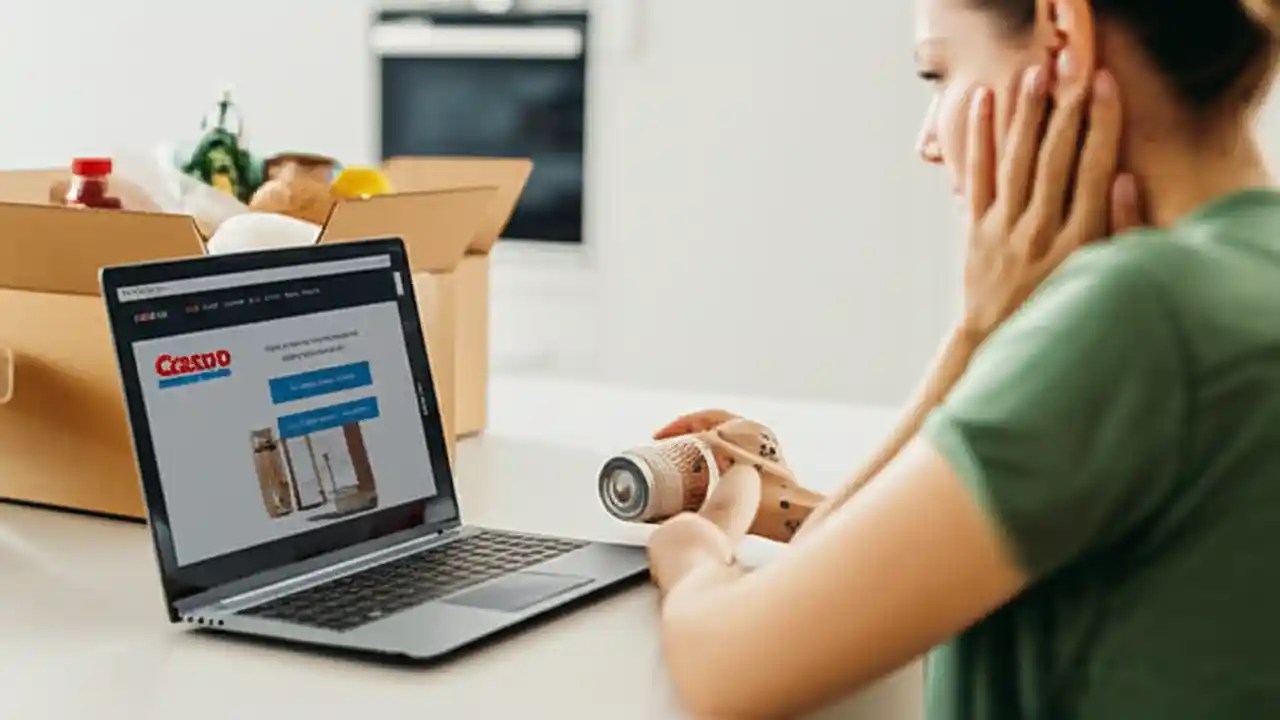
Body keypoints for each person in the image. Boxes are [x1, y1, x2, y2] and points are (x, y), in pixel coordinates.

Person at [643, 0, 1280, 717]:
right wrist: (787, 504)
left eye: (937, 71)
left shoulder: (1142, 315)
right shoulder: (1247, 272)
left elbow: (726, 666)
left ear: (1062, 32)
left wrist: (695, 548)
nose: (928, 141)